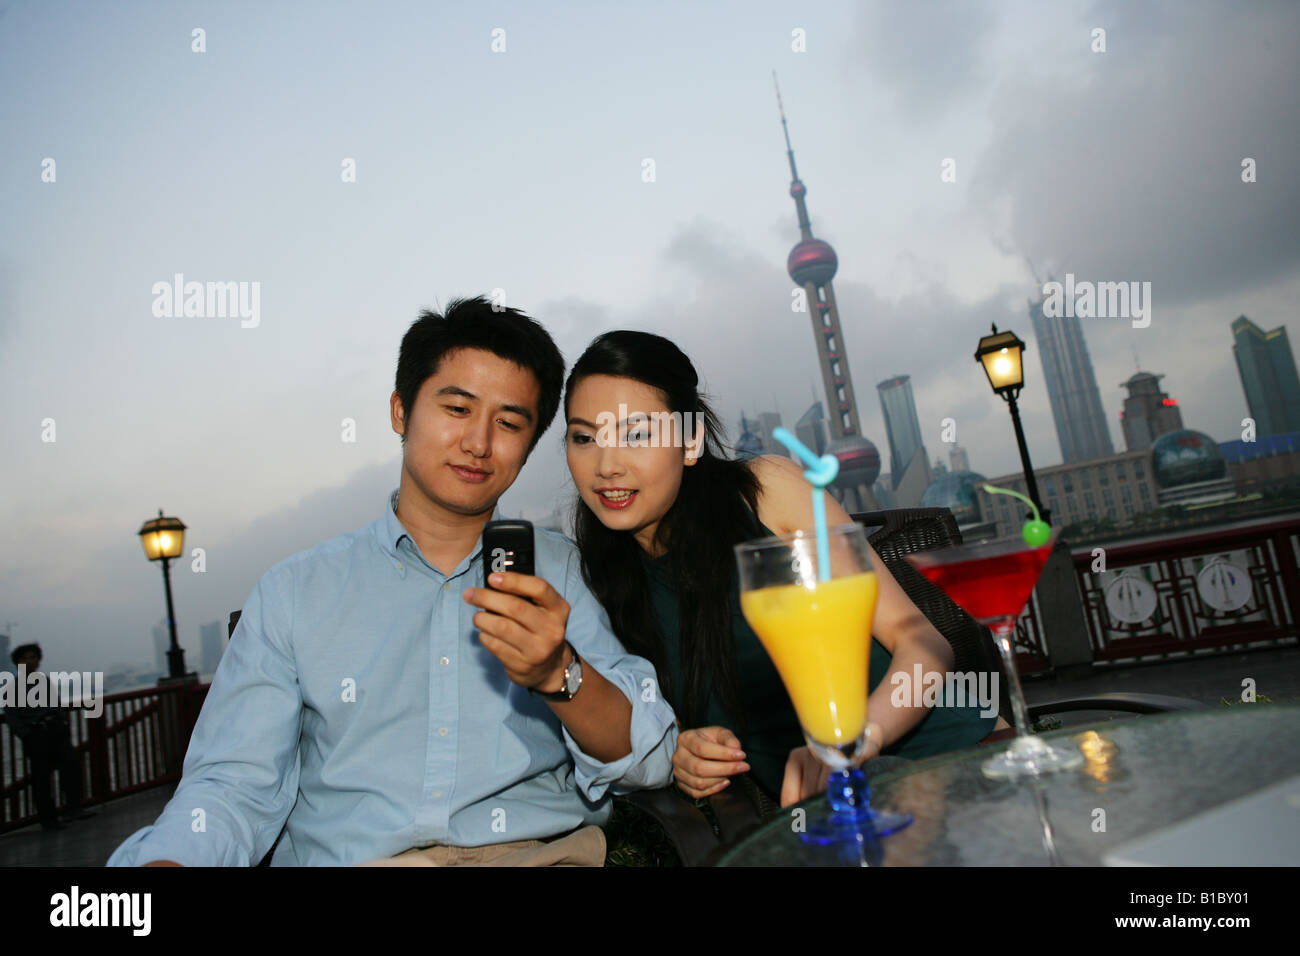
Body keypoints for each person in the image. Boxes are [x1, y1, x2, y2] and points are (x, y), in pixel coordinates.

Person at [107, 297, 677, 867]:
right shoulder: (296, 592)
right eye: (456, 409)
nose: (478, 443)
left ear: (528, 447)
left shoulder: (561, 574)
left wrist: (558, 673)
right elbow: (234, 785)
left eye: (508, 423)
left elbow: (646, 756)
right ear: (401, 411)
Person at [562, 331, 1005, 808]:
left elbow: (922, 641)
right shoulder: (596, 578)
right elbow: (655, 719)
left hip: (951, 758)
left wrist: (858, 739)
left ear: (690, 441)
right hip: (817, 816)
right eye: (584, 437)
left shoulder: (764, 492)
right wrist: (683, 752)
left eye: (636, 434)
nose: (606, 465)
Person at [5, 644, 95, 831]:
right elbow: (11, 717)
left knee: (70, 768)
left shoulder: (44, 681)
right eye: (25, 658)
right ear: (17, 663)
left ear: (38, 660)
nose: (29, 661)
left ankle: (73, 808)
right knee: (42, 779)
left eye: (33, 657)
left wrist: (63, 723)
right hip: (37, 735)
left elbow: (57, 704)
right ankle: (48, 819)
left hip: (56, 731)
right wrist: (28, 735)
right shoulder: (12, 688)